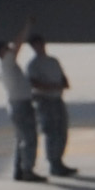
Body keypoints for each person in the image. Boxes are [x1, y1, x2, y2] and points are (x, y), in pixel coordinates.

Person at [24, 36, 77, 178]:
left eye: (40, 44)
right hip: (45, 100)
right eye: (36, 45)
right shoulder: (33, 65)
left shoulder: (53, 61)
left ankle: (59, 160)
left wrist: (61, 85)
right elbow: (34, 83)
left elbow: (63, 77)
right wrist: (52, 87)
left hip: (57, 98)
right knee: (51, 131)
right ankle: (54, 163)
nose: (39, 47)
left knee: (61, 130)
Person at [0, 38, 41, 182]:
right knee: (29, 139)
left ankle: (20, 170)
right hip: (21, 106)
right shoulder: (7, 63)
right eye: (7, 48)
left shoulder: (9, 65)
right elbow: (18, 45)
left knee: (22, 139)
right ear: (3, 52)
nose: (10, 49)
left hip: (19, 104)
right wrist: (27, 25)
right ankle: (27, 170)